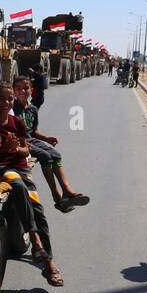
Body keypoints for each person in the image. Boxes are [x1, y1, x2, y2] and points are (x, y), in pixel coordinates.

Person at [0, 82, 64, 286]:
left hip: (21, 168)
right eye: (2, 98)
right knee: (18, 184)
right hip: (4, 170)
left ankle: (49, 263)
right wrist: (4, 148)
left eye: (9, 98)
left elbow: (25, 150)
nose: (6, 102)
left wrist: (15, 148)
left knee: (38, 210)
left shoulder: (17, 123)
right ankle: (34, 239)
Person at [11, 75, 89, 213]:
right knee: (46, 156)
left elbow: (33, 131)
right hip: (20, 141)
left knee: (56, 154)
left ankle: (67, 190)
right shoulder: (11, 108)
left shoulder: (33, 109)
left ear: (32, 90)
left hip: (30, 139)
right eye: (18, 89)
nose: (22, 91)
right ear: (13, 91)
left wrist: (47, 138)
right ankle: (57, 197)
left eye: (26, 88)